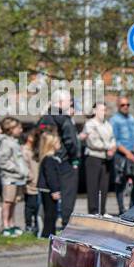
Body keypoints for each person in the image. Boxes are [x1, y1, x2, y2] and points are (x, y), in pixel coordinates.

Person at [38, 91, 81, 227]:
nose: (72, 104)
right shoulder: (64, 119)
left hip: (46, 158)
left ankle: (45, 225)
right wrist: (75, 158)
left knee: (49, 193)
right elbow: (71, 142)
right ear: (61, 103)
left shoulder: (44, 118)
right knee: (68, 194)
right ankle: (66, 223)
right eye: (70, 101)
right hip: (65, 161)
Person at [80, 102, 117, 215]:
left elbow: (112, 138)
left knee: (104, 186)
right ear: (95, 111)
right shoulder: (90, 124)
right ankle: (93, 211)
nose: (103, 112)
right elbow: (93, 141)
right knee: (93, 187)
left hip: (106, 158)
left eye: (105, 110)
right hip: (93, 157)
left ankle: (102, 210)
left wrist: (113, 148)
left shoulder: (107, 124)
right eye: (101, 110)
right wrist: (108, 147)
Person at [0, 117, 29, 236]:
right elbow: (2, 160)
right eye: (18, 128)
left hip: (18, 178)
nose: (21, 130)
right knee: (8, 201)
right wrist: (16, 169)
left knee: (14, 201)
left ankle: (12, 223)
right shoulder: (6, 143)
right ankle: (5, 225)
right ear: (10, 129)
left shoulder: (15, 142)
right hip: (9, 177)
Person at [109, 96, 134, 214]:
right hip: (121, 154)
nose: (126, 107)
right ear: (118, 106)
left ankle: (132, 206)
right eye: (123, 105)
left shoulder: (131, 119)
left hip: (133, 154)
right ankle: (121, 209)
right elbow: (115, 140)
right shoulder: (114, 120)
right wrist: (127, 153)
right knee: (120, 182)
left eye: (127, 104)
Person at [36, 131, 66, 238]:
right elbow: (51, 177)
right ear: (51, 145)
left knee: (52, 212)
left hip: (49, 190)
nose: (60, 144)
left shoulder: (52, 158)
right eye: (58, 142)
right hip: (48, 190)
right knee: (50, 213)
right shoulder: (49, 159)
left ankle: (51, 232)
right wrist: (55, 190)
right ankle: (47, 233)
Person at [23, 126, 41, 236]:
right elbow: (25, 167)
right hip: (30, 184)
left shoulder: (36, 151)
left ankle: (36, 225)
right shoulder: (25, 151)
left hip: (37, 183)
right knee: (30, 206)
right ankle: (28, 225)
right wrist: (30, 177)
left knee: (37, 207)